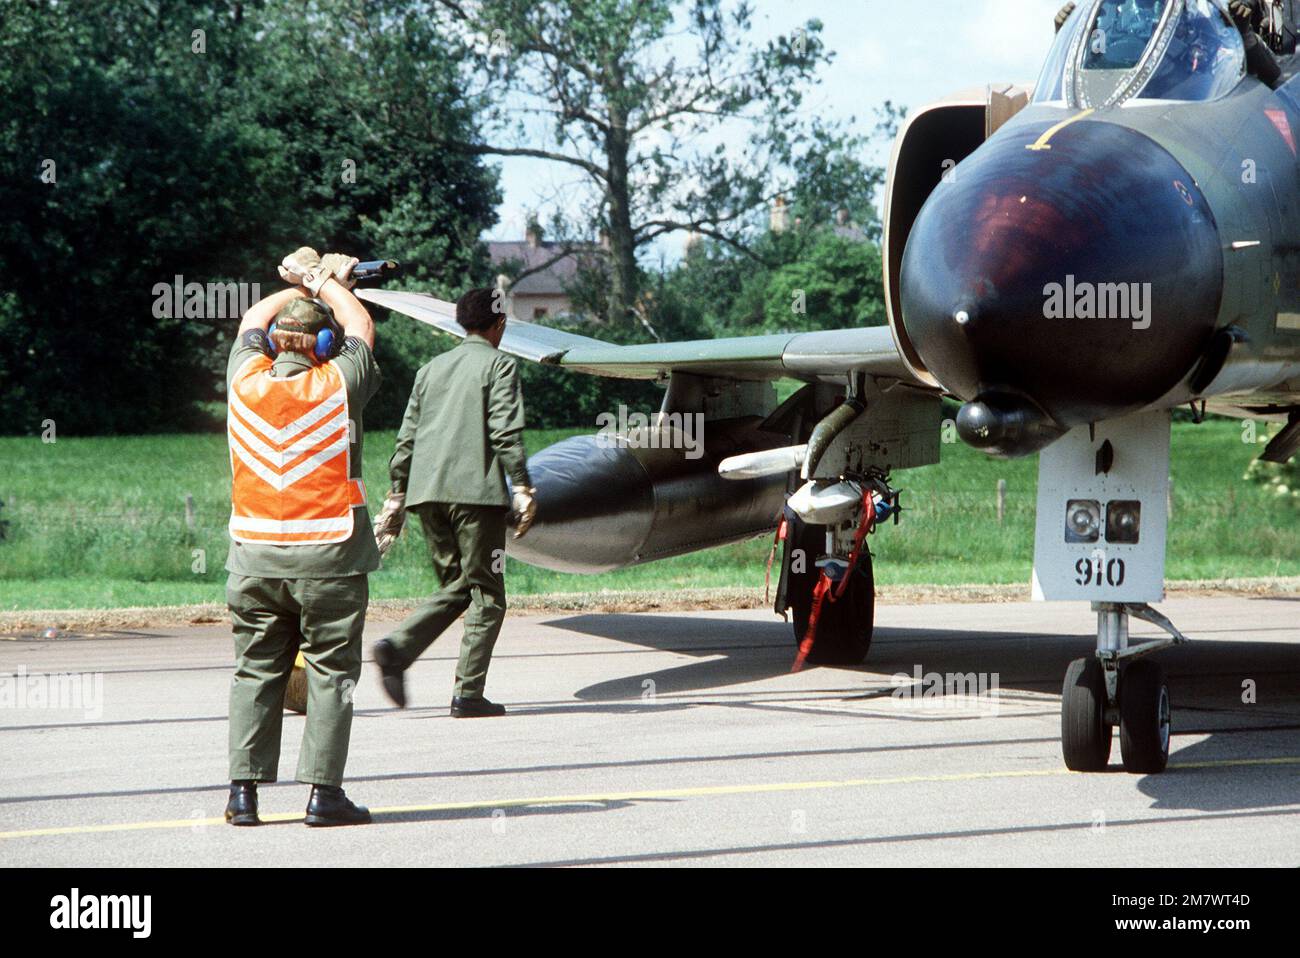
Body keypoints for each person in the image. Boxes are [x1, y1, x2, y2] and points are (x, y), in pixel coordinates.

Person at [223, 248, 380, 827]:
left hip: (254, 560)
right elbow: (360, 323)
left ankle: (243, 795)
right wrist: (325, 283)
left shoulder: (244, 379)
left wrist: (294, 285)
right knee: (332, 674)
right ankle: (323, 796)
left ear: (273, 344)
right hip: (330, 560)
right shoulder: (339, 382)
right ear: (321, 347)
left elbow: (250, 324)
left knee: (255, 672)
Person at [370, 288, 537, 717]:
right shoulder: (500, 364)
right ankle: (463, 691)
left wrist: (396, 495)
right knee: (488, 593)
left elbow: (406, 439)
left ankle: (402, 653)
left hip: (426, 497)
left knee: (458, 588)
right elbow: (503, 431)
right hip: (475, 497)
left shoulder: (430, 369)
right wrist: (522, 486)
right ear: (499, 325)